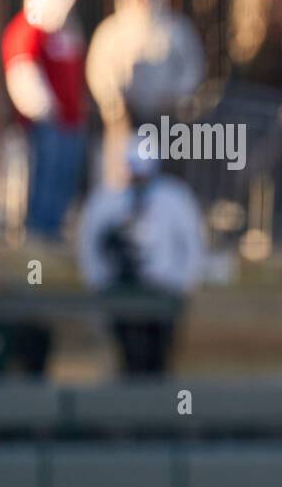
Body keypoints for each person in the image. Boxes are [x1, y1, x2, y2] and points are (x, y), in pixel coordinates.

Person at [77, 139, 206, 376]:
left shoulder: (174, 198)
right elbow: (90, 244)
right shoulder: (107, 200)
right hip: (121, 290)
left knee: (159, 357)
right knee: (128, 354)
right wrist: (97, 281)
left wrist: (184, 284)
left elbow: (193, 244)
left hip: (163, 291)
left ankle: (155, 405)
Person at [85, 0, 206, 188]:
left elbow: (193, 66)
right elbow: (98, 69)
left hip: (164, 116)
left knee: (165, 174)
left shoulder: (176, 29)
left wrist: (177, 94)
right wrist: (112, 101)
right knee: (120, 173)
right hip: (123, 117)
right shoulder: (111, 31)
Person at [1, 0, 88, 240]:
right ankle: (38, 241)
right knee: (45, 181)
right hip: (47, 124)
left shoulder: (66, 30)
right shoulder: (28, 30)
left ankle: (54, 231)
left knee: (64, 181)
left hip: (71, 123)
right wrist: (45, 109)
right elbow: (22, 73)